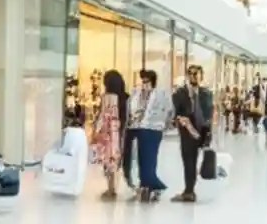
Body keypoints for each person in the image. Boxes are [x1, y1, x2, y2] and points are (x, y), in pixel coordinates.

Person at [171, 64, 214, 203]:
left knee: (196, 160)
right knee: (189, 161)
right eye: (190, 73)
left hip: (203, 131)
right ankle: (189, 190)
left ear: (202, 75)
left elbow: (209, 113)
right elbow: (176, 112)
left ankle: (190, 189)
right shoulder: (180, 93)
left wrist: (208, 132)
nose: (193, 75)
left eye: (196, 73)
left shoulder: (206, 93)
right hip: (187, 132)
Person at [134, 69, 172, 202]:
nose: (144, 84)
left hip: (155, 130)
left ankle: (154, 184)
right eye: (142, 81)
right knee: (142, 159)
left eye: (146, 81)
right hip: (141, 128)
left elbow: (169, 110)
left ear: (152, 82)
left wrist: (165, 125)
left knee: (150, 158)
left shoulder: (161, 95)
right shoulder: (138, 95)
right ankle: (146, 184)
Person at [91, 69, 127, 200]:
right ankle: (114, 188)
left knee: (107, 161)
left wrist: (95, 130)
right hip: (120, 132)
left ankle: (110, 189)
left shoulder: (107, 97)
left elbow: (102, 116)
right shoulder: (125, 97)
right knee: (115, 161)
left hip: (108, 133)